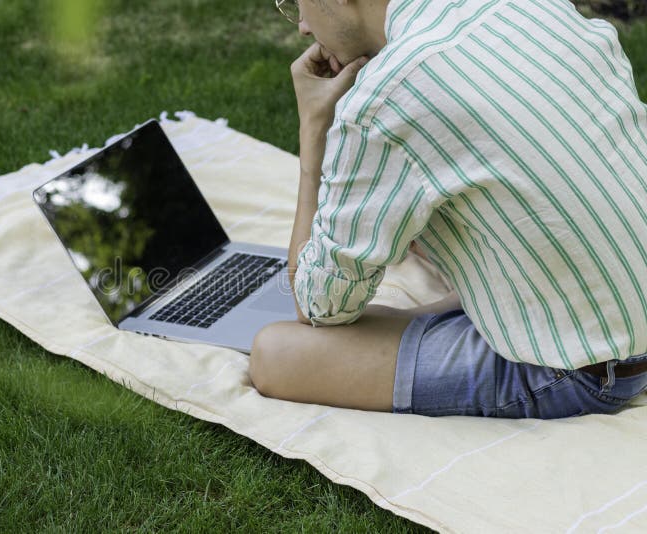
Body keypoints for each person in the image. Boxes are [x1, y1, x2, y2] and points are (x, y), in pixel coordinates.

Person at [248, 0, 647, 418]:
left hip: (585, 372)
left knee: (277, 352)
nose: (303, 28)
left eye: (297, 4)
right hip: (622, 312)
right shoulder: (534, 6)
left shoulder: (386, 96)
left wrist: (313, 124)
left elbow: (317, 307)